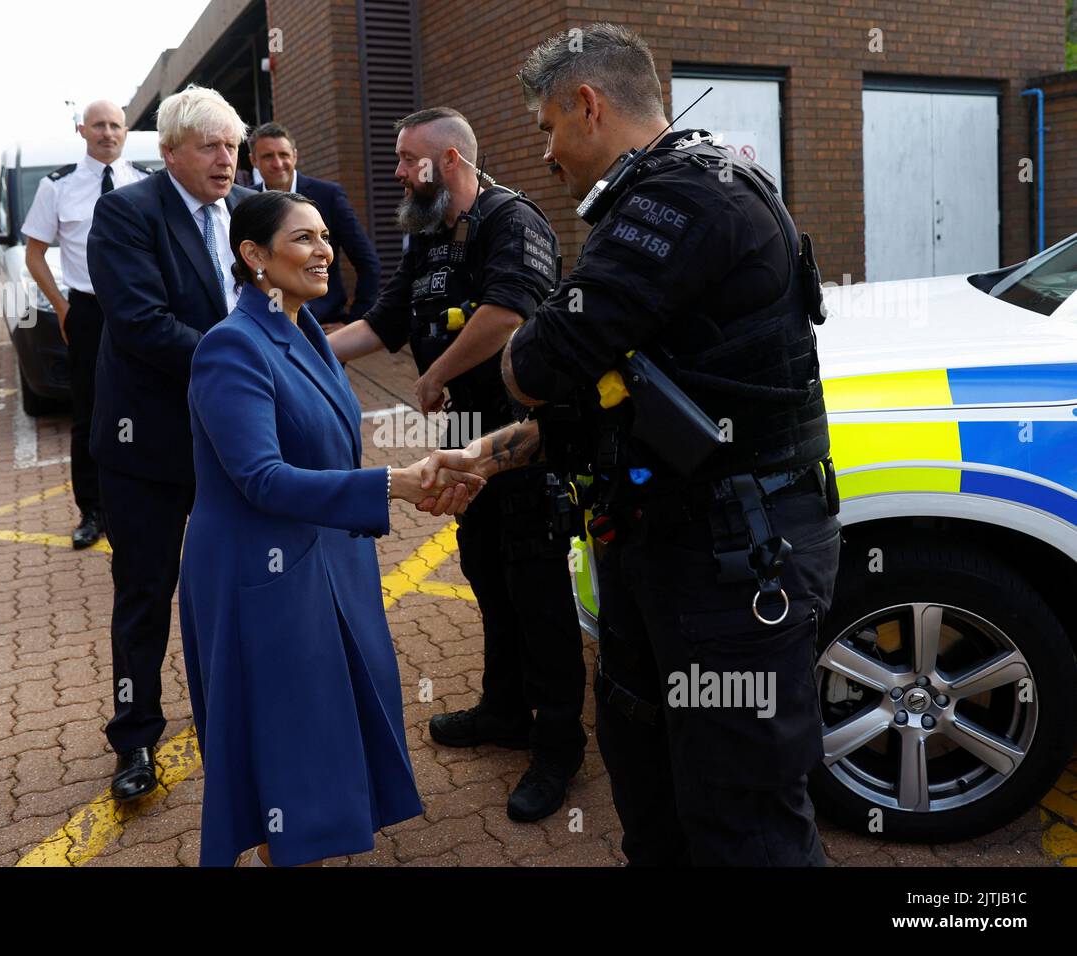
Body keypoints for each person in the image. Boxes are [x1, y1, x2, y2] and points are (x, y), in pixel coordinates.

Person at [421, 24, 841, 865]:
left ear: (589, 105)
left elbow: (534, 365)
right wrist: (488, 457)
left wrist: (532, 350)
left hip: (731, 567)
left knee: (741, 820)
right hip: (670, 551)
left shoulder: (680, 199)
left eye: (546, 127)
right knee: (652, 790)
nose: (544, 154)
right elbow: (611, 397)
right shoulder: (670, 189)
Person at [179, 190, 483, 866]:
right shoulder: (230, 347)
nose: (324, 253)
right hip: (261, 574)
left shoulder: (307, 328)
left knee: (323, 731)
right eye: (304, 240)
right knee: (288, 747)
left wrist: (410, 477)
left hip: (327, 561)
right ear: (254, 256)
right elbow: (260, 478)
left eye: (326, 237)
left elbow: (324, 449)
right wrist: (392, 485)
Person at [328, 108, 588, 823]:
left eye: (407, 159)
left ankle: (560, 746)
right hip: (465, 434)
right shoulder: (430, 233)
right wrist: (303, 346)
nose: (396, 172)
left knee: (535, 588)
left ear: (448, 160)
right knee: (486, 573)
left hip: (521, 436)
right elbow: (384, 320)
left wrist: (434, 372)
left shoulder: (514, 221)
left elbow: (507, 313)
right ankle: (505, 710)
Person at [85, 85, 255, 803]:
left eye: (234, 146)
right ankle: (136, 738)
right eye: (212, 147)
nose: (227, 160)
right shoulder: (127, 212)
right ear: (171, 152)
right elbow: (143, 325)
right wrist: (251, 363)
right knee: (146, 592)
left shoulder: (252, 208)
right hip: (147, 443)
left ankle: (245, 716)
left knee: (247, 581)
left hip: (235, 437)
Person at [21, 100, 151, 549]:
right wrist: (61, 307)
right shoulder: (57, 187)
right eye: (99, 125)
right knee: (90, 413)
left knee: (143, 407)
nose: (108, 133)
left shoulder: (148, 183)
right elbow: (34, 253)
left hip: (140, 311)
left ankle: (139, 503)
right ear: (82, 131)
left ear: (126, 130)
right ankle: (92, 511)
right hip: (89, 312)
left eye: (115, 125)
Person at [248, 121, 381, 332]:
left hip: (323, 326)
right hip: (264, 327)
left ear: (295, 156)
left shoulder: (328, 196)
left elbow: (367, 261)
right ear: (253, 160)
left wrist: (354, 322)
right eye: (267, 156)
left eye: (283, 154)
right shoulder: (244, 202)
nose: (277, 163)